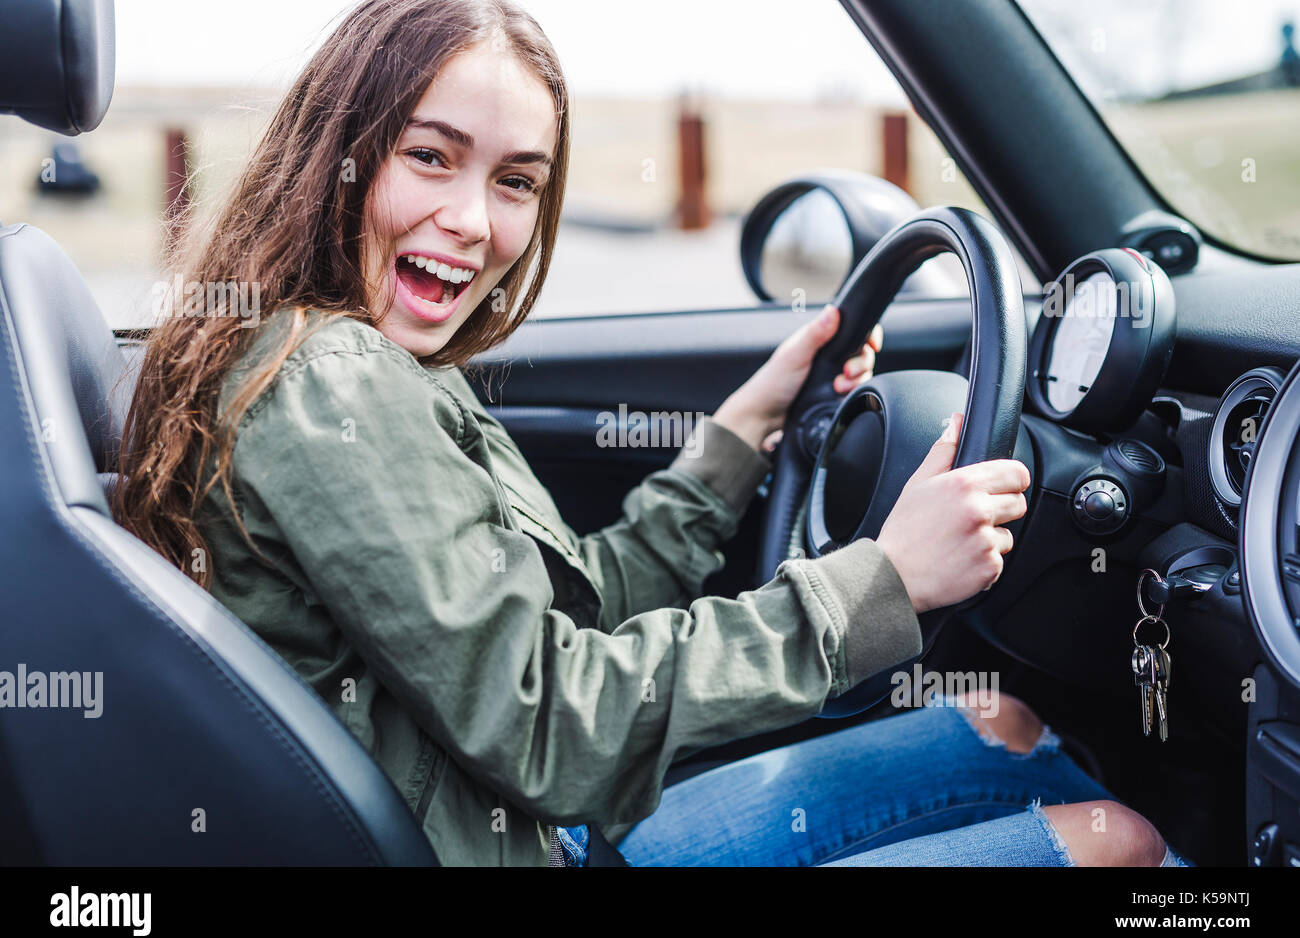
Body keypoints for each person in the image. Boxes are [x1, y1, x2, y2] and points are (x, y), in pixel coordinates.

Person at [112, 0, 1184, 867]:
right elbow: (551, 723)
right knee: (1116, 842)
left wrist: (742, 430)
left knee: (999, 719)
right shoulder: (335, 387)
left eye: (516, 181)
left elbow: (560, 612)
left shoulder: (332, 361)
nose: (477, 223)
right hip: (542, 830)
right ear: (338, 154)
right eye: (430, 157)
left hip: (534, 825)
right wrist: (882, 584)